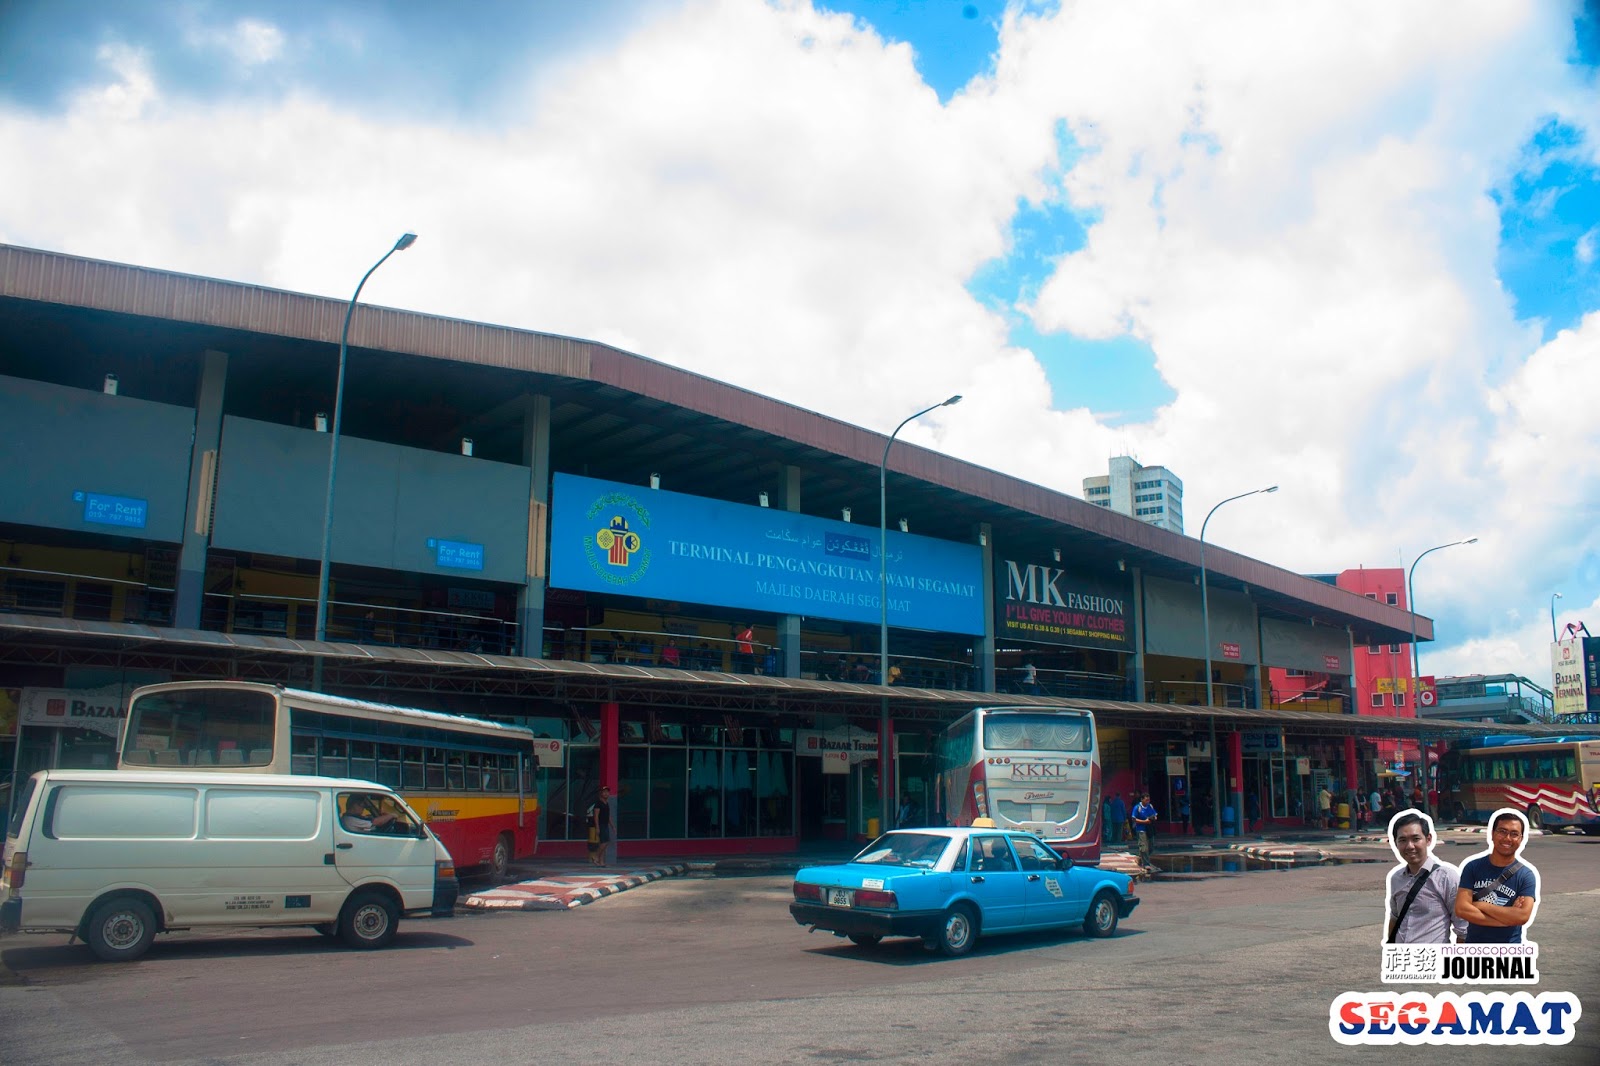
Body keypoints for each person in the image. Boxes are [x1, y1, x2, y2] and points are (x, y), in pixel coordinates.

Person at [1454, 810, 1539, 944]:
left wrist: (1481, 905)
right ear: (1492, 834)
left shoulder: (1525, 875)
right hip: (1474, 950)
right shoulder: (1472, 867)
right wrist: (1506, 919)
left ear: (1521, 839)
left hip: (1509, 952)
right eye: (1502, 831)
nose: (1507, 838)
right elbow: (1461, 909)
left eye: (1514, 834)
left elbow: (1522, 916)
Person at [1385, 809, 1465, 944]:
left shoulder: (1447, 878)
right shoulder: (1396, 878)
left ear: (1428, 839)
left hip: (1433, 956)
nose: (1410, 846)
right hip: (1402, 956)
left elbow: (1463, 929)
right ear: (1396, 843)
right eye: (1403, 840)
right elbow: (1395, 918)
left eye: (1416, 839)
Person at [588, 786, 614, 868]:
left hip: (605, 825)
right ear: (601, 793)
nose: (606, 793)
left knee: (603, 843)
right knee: (604, 842)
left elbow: (608, 816)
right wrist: (597, 827)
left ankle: (601, 862)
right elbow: (596, 816)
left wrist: (612, 826)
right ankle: (595, 857)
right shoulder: (598, 803)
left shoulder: (606, 803)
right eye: (604, 792)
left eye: (607, 792)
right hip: (601, 825)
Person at [1131, 793, 1158, 862]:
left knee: (1151, 846)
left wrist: (1153, 818)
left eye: (1148, 800)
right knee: (1144, 847)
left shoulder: (1150, 806)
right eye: (1146, 800)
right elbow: (1134, 819)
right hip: (1141, 829)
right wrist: (1144, 821)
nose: (1147, 801)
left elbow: (1155, 815)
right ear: (1142, 799)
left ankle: (1141, 858)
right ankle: (1146, 863)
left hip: (1149, 829)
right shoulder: (1137, 807)